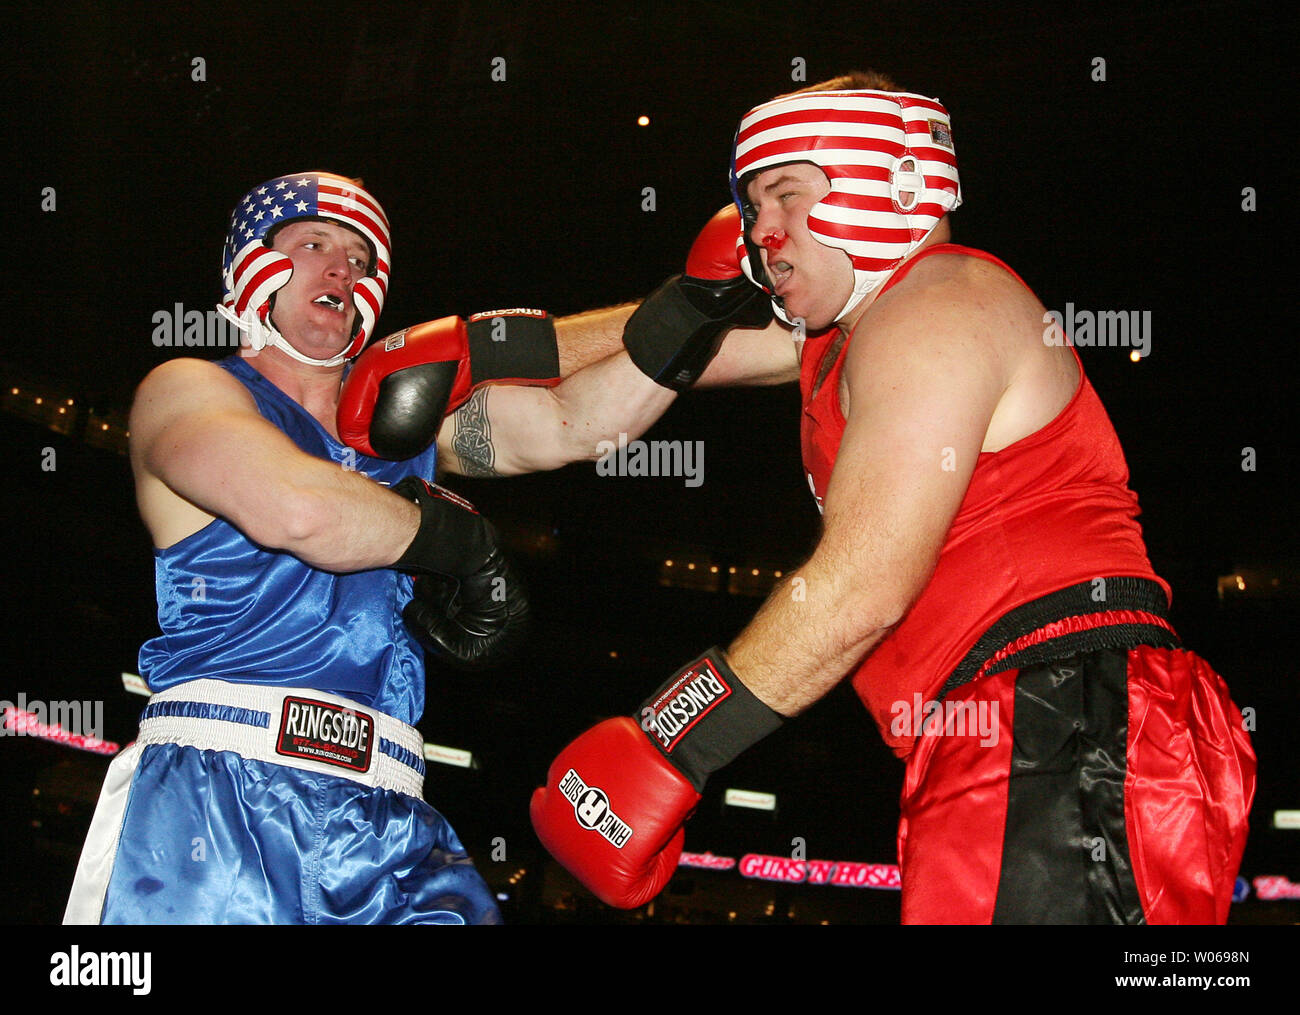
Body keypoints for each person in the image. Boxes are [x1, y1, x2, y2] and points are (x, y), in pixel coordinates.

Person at [530, 74, 1257, 924]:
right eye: (752, 203)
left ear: (895, 179)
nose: (759, 232)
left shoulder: (939, 305)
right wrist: (472, 350)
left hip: (1060, 713)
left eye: (785, 194)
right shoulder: (850, 334)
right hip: (1030, 727)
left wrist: (669, 738)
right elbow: (646, 355)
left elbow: (865, 583)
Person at [63, 171, 680, 924]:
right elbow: (296, 508)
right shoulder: (185, 388)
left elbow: (573, 422)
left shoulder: (407, 437)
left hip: (388, 811)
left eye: (358, 257)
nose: (340, 268)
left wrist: (699, 308)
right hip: (220, 795)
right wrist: (465, 545)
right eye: (314, 243)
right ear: (251, 265)